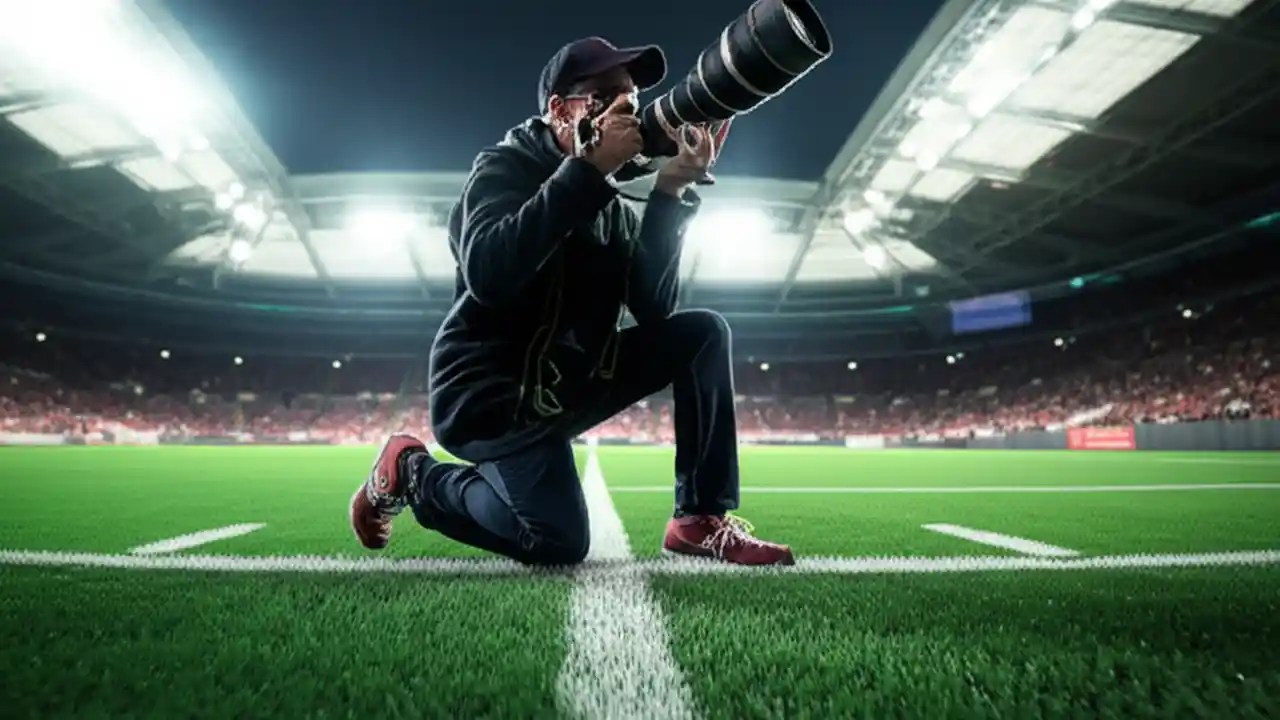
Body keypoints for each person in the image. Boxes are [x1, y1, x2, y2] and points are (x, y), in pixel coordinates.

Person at [349, 37, 793, 566]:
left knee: (701, 335)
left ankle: (699, 518)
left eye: (630, 97)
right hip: (492, 399)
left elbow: (654, 310)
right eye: (604, 96)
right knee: (557, 541)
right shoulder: (503, 168)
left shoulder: (605, 197)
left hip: (567, 383)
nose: (625, 109)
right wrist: (586, 172)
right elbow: (491, 274)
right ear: (561, 110)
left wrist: (671, 191)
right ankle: (414, 476)